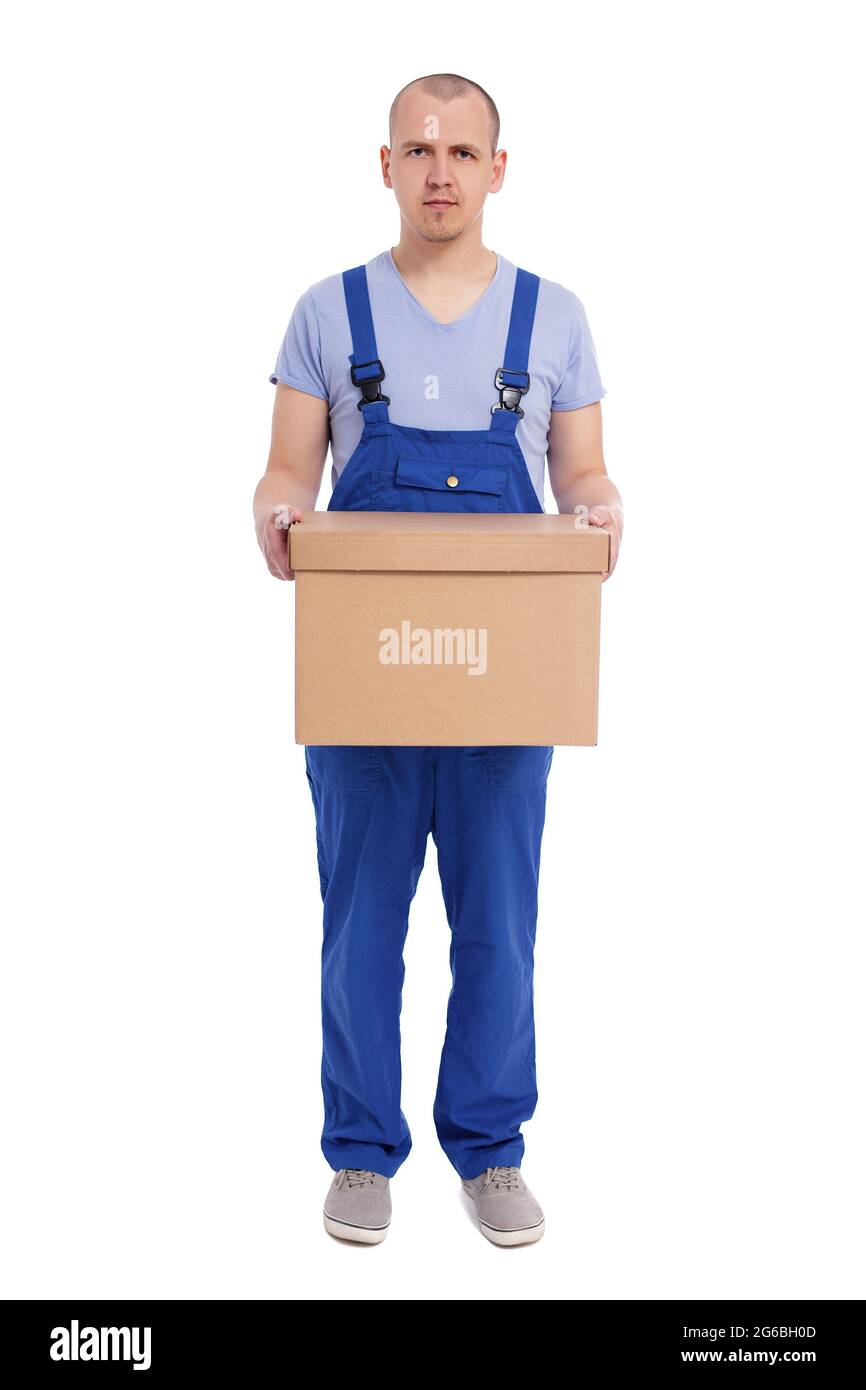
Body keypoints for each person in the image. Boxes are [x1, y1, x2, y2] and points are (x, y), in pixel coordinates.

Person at [253, 72, 624, 1247]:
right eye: (417, 149)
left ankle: (490, 1148)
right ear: (384, 165)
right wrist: (272, 520)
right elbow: (282, 475)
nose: (439, 171)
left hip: (506, 673)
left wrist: (605, 510)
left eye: (462, 151)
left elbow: (581, 477)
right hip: (364, 674)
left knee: (496, 921)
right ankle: (359, 1155)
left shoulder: (552, 318)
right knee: (358, 917)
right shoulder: (327, 312)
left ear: (496, 170)